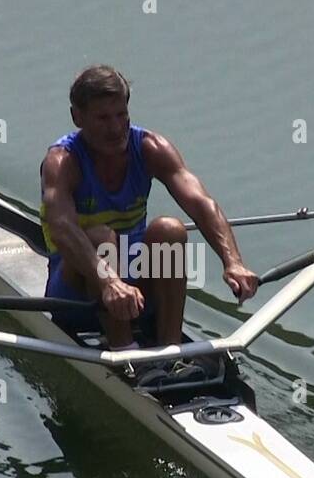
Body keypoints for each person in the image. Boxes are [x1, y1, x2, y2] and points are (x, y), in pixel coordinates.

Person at [40, 65, 258, 372]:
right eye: (103, 118)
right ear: (77, 117)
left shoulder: (150, 148)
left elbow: (201, 204)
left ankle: (170, 354)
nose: (116, 128)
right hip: (76, 295)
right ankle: (126, 353)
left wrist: (232, 261)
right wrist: (110, 282)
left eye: (121, 115)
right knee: (102, 237)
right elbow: (62, 229)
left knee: (170, 229)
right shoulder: (62, 162)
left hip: (136, 292)